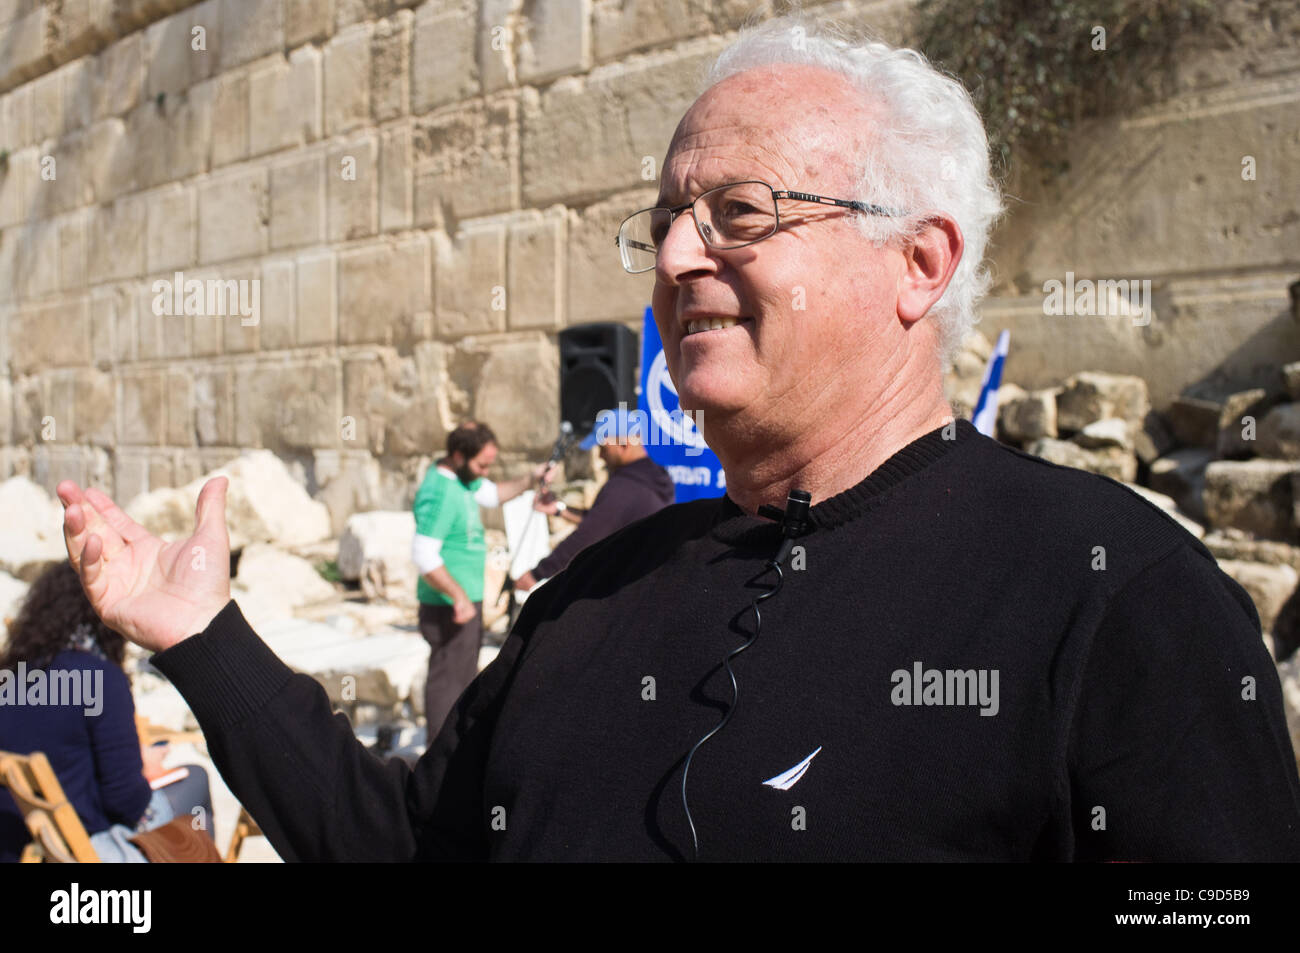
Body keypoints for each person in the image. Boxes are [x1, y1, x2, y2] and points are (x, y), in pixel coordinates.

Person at [57, 14, 1300, 861]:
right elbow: (404, 843)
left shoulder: (1113, 597)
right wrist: (203, 638)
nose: (673, 257)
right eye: (664, 219)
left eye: (738, 213)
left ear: (917, 262)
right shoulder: (602, 587)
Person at [0, 562, 214, 862]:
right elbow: (126, 802)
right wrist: (141, 766)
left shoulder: (11, 677)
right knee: (195, 781)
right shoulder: (101, 679)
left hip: (20, 841)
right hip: (83, 847)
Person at [411, 421, 554, 733]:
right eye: (482, 464)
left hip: (464, 602)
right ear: (459, 455)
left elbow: (492, 495)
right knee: (447, 684)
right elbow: (423, 554)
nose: (486, 472)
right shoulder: (439, 492)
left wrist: (531, 478)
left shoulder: (464, 479)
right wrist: (458, 596)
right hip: (449, 606)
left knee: (460, 680)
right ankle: (438, 765)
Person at [515, 407, 676, 592]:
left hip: (633, 590)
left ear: (623, 443)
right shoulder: (655, 478)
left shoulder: (625, 487)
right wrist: (559, 509)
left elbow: (586, 538)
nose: (600, 456)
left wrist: (535, 575)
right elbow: (605, 520)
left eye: (603, 448)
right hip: (652, 583)